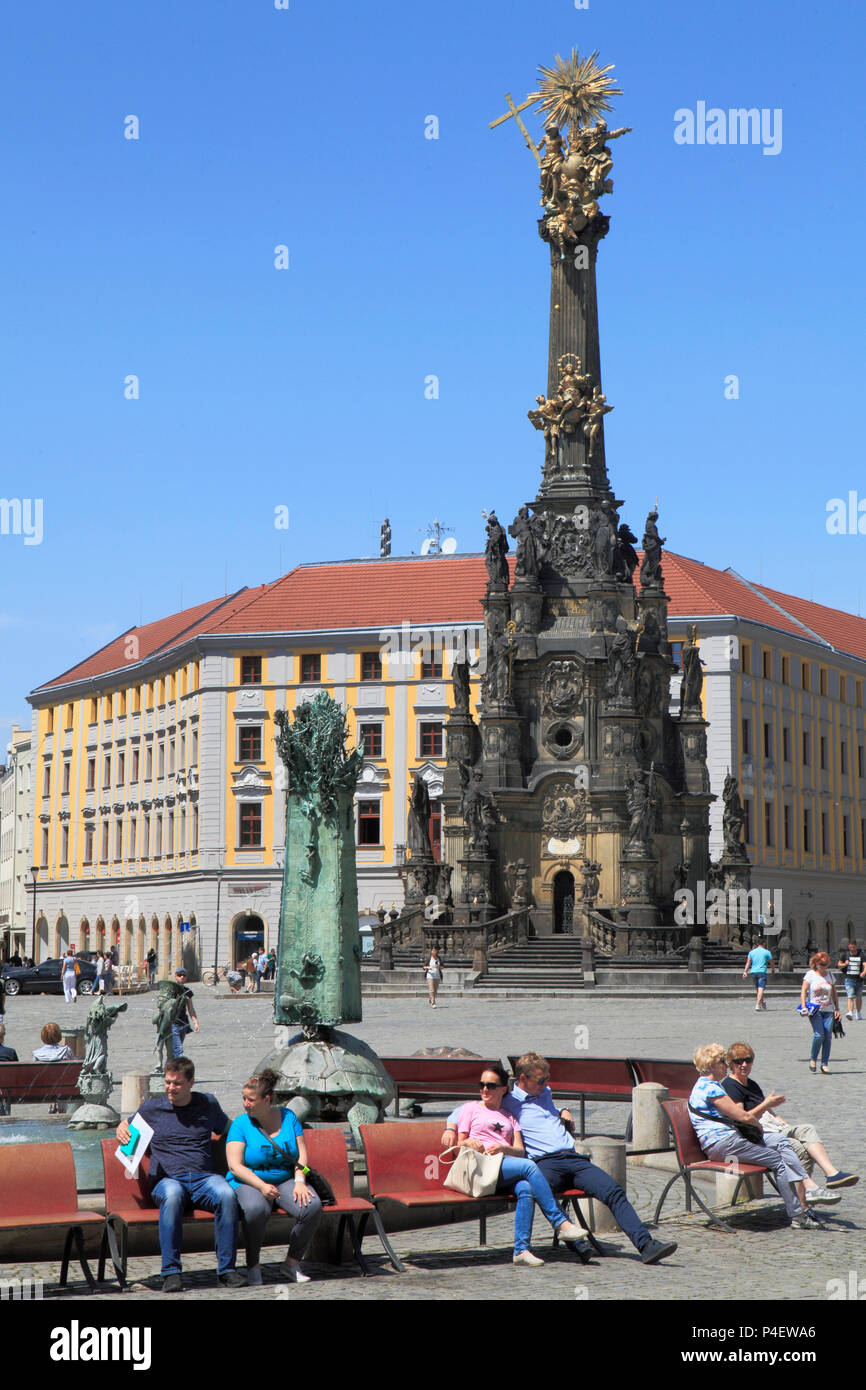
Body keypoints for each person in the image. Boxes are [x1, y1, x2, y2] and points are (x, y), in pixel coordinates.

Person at [441, 1052, 676, 1265]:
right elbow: (468, 1108)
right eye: (540, 1080)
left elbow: (549, 1111)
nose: (545, 1085)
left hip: (573, 1159)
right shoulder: (507, 1100)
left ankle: (646, 1246)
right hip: (544, 1163)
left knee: (612, 1190)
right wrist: (451, 1128)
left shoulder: (545, 1093)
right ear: (522, 1079)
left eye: (547, 1079)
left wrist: (562, 1110)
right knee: (536, 1188)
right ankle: (578, 1245)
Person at [115, 1055, 246, 1292]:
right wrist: (121, 1125)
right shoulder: (152, 1108)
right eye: (167, 1082)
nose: (170, 1088)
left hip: (204, 1179)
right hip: (167, 1180)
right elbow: (128, 1128)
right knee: (173, 1196)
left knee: (227, 1195)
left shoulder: (207, 1103)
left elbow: (230, 1129)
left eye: (176, 1083)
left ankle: (227, 1271)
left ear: (191, 1082)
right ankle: (172, 1273)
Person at [453, 1064, 586, 1267]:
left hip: (502, 1168)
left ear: (503, 1088)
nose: (484, 1090)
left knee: (526, 1187)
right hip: (480, 1169)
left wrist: (503, 1149)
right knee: (529, 1167)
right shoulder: (471, 1108)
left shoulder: (510, 1117)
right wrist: (467, 1142)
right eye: (482, 1085)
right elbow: (458, 1144)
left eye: (490, 1085)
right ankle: (560, 1222)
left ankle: (521, 1250)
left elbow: (520, 1150)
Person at [689, 1043, 812, 1226]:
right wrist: (758, 1125)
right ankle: (798, 1215)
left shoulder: (702, 1086)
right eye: (723, 1062)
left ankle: (809, 1186)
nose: (726, 1065)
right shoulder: (712, 1089)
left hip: (724, 1142)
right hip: (724, 1144)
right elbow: (743, 1116)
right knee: (778, 1161)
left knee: (779, 1139)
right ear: (712, 1065)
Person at [721, 1043, 855, 1205]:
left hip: (771, 1127)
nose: (744, 1065)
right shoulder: (730, 1085)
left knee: (807, 1129)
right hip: (755, 1134)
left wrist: (786, 1126)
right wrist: (766, 1105)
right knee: (797, 1148)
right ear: (730, 1063)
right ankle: (804, 1198)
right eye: (738, 1061)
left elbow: (771, 1114)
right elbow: (742, 1119)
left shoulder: (752, 1084)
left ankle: (831, 1174)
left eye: (748, 1060)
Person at [226, 1069, 323, 1285]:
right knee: (256, 1209)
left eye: (251, 1100)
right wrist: (261, 1186)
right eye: (243, 1098)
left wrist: (299, 1181)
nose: (245, 1104)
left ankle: (291, 1263)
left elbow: (301, 1155)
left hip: (284, 1178)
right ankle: (253, 1266)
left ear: (266, 1099)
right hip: (249, 1180)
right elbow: (235, 1166)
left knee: (312, 1206)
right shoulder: (241, 1124)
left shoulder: (289, 1118)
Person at [801, 952, 841, 1073]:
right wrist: (804, 1007)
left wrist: (837, 1008)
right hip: (815, 1010)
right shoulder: (810, 975)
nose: (824, 966)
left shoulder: (830, 975)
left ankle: (824, 1063)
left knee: (828, 1037)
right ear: (816, 963)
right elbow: (803, 992)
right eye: (821, 964)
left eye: (826, 964)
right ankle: (813, 1059)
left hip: (828, 1010)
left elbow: (834, 992)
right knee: (819, 1035)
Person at [33, 1022, 75, 1115]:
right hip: (64, 1088)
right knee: (62, 1082)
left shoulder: (37, 1054)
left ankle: (53, 1103)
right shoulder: (66, 1051)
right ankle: (61, 1110)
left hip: (43, 1089)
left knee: (52, 1081)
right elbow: (74, 1067)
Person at [170, 967, 199, 1059]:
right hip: (172, 1024)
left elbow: (190, 1009)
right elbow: (162, 1006)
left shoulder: (188, 992)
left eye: (184, 975)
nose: (182, 977)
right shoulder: (170, 990)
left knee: (174, 1051)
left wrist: (195, 1022)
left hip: (183, 1024)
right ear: (175, 977)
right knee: (178, 1049)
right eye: (179, 975)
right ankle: (179, 1071)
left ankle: (168, 1070)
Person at [743, 936, 774, 1010]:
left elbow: (748, 962)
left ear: (757, 944)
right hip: (762, 972)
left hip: (753, 972)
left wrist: (745, 971)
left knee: (758, 988)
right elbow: (772, 962)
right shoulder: (767, 952)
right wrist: (773, 969)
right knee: (761, 988)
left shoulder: (752, 952)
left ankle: (762, 1002)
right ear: (764, 944)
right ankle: (757, 1004)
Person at [837, 940, 865, 1021]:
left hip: (859, 979)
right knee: (850, 996)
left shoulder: (861, 954)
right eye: (850, 947)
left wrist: (864, 972)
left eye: (853, 947)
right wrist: (845, 964)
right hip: (849, 978)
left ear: (856, 946)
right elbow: (839, 964)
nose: (851, 949)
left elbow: (865, 964)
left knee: (859, 997)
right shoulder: (845, 955)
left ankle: (858, 1012)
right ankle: (850, 1012)